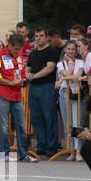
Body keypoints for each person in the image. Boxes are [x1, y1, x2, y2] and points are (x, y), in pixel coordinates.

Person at [0, 34, 36, 162]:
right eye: (15, 49)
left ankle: (23, 154)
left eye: (20, 49)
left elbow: (20, 74)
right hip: (3, 94)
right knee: (3, 126)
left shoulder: (19, 56)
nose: (18, 52)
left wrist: (25, 79)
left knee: (21, 125)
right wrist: (9, 83)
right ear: (9, 45)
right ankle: (3, 155)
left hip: (16, 95)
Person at [25, 28, 61, 158]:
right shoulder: (33, 53)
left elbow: (50, 68)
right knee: (36, 117)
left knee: (49, 117)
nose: (38, 38)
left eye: (41, 36)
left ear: (46, 37)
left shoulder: (51, 50)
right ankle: (41, 145)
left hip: (47, 86)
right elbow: (27, 68)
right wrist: (28, 74)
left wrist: (33, 76)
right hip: (34, 88)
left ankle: (52, 146)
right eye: (36, 36)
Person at [56, 40, 85, 152]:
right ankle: (70, 149)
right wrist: (70, 67)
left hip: (76, 93)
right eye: (68, 49)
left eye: (73, 49)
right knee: (67, 122)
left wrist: (63, 78)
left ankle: (78, 150)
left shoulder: (80, 62)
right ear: (65, 50)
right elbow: (69, 75)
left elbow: (77, 76)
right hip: (64, 92)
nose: (71, 51)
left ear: (76, 50)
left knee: (76, 121)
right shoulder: (60, 63)